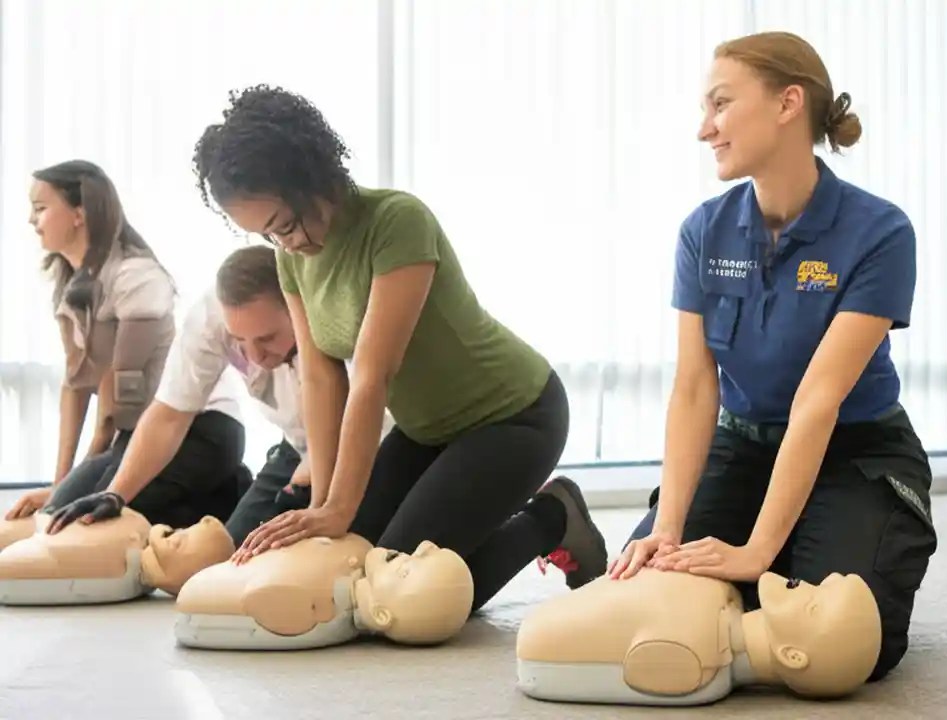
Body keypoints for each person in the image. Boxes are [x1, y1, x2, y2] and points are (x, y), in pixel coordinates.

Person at [190, 85, 607, 613]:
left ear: (309, 179)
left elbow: (371, 374)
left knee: (404, 593)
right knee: (348, 564)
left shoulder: (397, 222)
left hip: (513, 415)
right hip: (427, 431)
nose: (284, 243)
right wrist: (322, 506)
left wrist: (341, 507)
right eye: (267, 235)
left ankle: (553, 517)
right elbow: (322, 378)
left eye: (285, 224)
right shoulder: (292, 260)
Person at [609, 32, 938, 682]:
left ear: (788, 103)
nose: (705, 128)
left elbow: (818, 399)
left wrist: (758, 551)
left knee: (834, 645)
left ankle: (784, 552)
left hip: (856, 452)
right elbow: (696, 389)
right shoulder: (703, 230)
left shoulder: (881, 232)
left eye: (721, 104)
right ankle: (764, 562)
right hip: (742, 446)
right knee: (641, 593)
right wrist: (669, 526)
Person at [4, 160, 249, 530]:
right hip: (137, 433)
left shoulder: (136, 276)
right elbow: (76, 386)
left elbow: (121, 396)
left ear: (79, 214)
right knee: (55, 515)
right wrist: (61, 483)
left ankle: (225, 493)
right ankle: (220, 491)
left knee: (77, 521)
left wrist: (70, 488)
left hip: (199, 428)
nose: (30, 220)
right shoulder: (73, 287)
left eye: (40, 208)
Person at [38, 245, 319, 544]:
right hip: (294, 448)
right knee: (229, 551)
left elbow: (361, 418)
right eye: (239, 341)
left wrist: (316, 489)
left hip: (351, 447)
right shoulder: (213, 313)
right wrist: (115, 495)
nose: (255, 356)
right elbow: (170, 414)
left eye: (267, 339)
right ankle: (227, 495)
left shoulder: (324, 317)